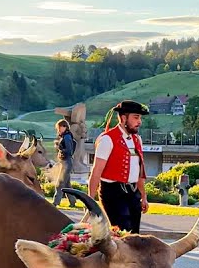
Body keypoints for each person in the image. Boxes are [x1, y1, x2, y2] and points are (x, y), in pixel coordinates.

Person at [87, 100, 148, 233]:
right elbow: (96, 172)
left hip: (133, 192)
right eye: (136, 117)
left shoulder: (137, 140)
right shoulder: (107, 139)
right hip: (113, 193)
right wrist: (90, 202)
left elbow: (138, 171)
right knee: (123, 232)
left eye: (140, 118)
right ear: (123, 118)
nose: (139, 122)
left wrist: (144, 196)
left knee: (135, 235)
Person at [51, 118, 78, 208]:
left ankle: (55, 202)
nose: (58, 130)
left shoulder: (67, 137)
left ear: (64, 127)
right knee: (67, 185)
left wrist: (60, 148)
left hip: (66, 162)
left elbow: (69, 151)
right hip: (65, 162)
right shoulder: (66, 136)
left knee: (60, 183)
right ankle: (73, 201)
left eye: (59, 128)